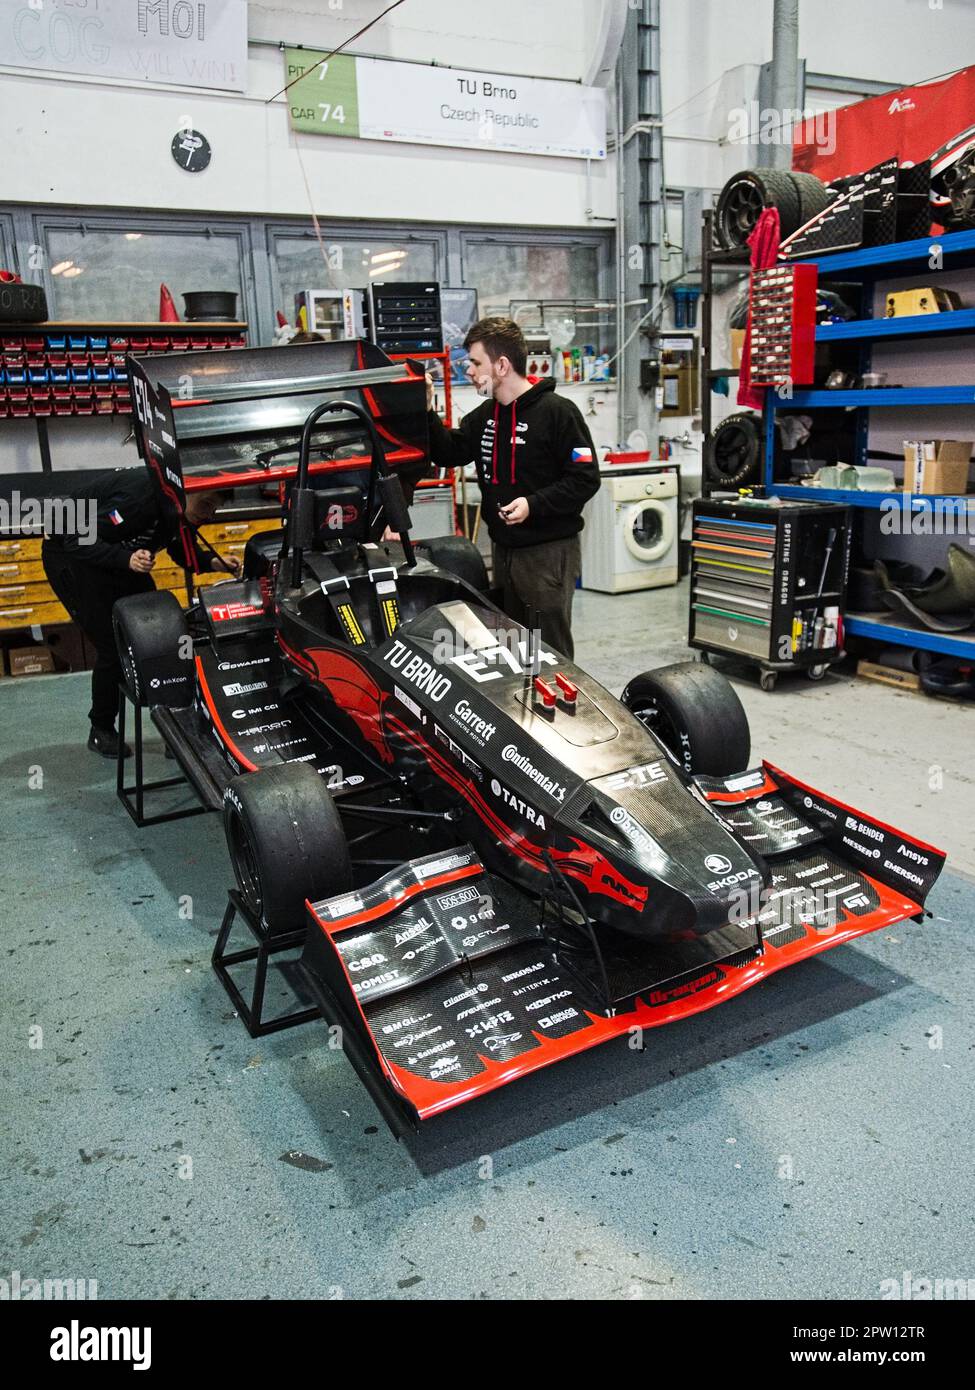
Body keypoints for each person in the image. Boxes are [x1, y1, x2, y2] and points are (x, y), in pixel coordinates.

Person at [425, 316, 600, 657]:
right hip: (504, 552)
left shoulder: (559, 413)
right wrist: (425, 408)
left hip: (547, 555)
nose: (470, 372)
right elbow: (449, 452)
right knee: (512, 650)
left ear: (502, 365)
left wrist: (533, 504)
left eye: (476, 363)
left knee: (549, 653)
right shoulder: (485, 416)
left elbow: (585, 479)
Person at [42, 471, 237, 758]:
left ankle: (176, 728)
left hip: (117, 559)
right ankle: (101, 729)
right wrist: (127, 559)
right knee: (113, 645)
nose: (210, 514)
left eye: (215, 508)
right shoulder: (141, 499)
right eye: (207, 504)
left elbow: (178, 545)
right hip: (73, 556)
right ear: (188, 489)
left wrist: (213, 562)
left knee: (162, 633)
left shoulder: (173, 505)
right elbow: (77, 537)